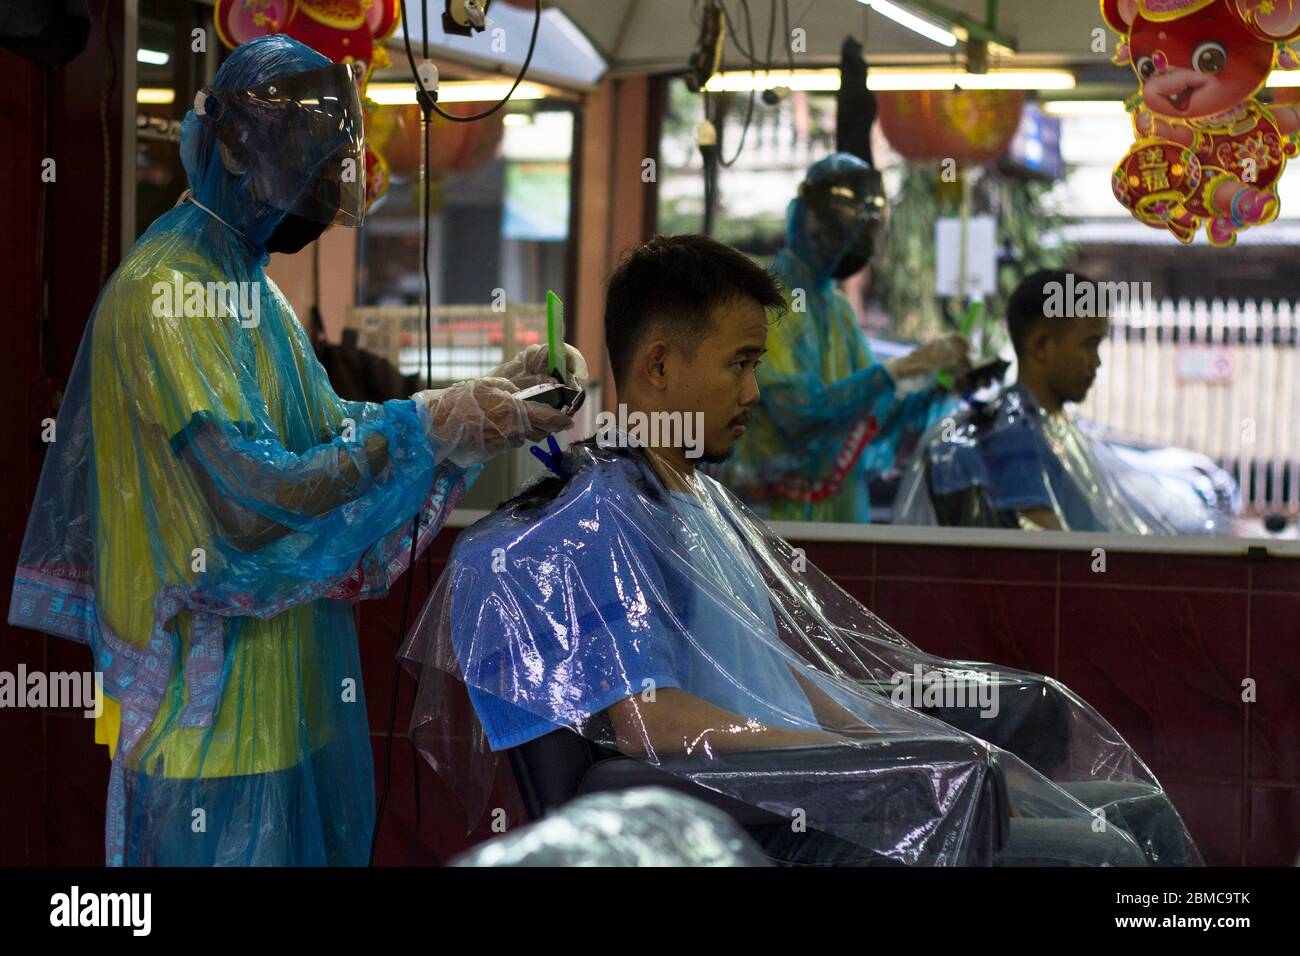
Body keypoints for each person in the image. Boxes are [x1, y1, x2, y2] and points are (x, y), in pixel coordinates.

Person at [400, 236, 1199, 866]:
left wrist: (901, 743)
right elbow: (652, 724)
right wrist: (880, 769)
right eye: (741, 364)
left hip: (821, 796)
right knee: (1108, 855)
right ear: (660, 365)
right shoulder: (606, 516)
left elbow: (775, 684)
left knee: (1137, 811)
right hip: (770, 831)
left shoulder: (695, 497)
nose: (755, 394)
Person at [7, 34, 581, 866]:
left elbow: (327, 435)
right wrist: (431, 427)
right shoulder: (166, 293)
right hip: (205, 725)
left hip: (286, 700)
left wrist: (488, 409)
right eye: (311, 166)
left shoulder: (251, 291)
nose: (320, 196)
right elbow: (252, 494)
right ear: (240, 151)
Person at [712, 153, 971, 522]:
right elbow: (799, 411)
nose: (854, 235)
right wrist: (904, 367)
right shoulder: (771, 302)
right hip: (778, 521)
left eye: (866, 220)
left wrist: (939, 384)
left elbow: (873, 413)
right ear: (807, 215)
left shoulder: (836, 307)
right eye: (844, 217)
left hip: (844, 516)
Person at [893, 270, 1239, 533]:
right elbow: (1047, 548)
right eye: (1088, 345)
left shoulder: (1050, 430)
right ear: (1042, 346)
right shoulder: (1013, 435)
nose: (1096, 362)